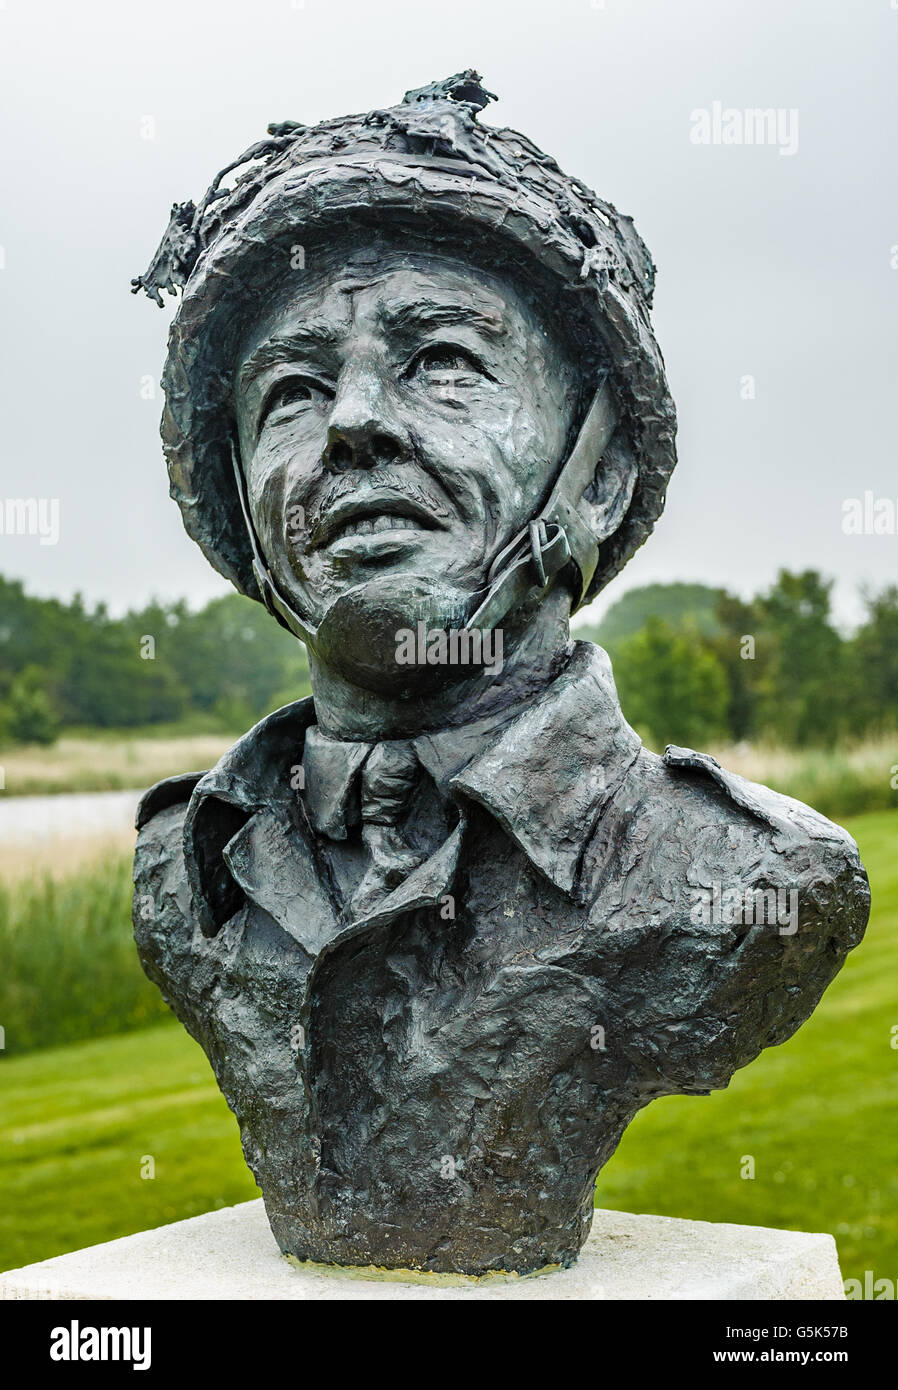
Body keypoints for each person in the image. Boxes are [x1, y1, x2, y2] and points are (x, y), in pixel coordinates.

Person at [132, 72, 869, 1275]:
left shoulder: (746, 876)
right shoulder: (182, 865)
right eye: (293, 390)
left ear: (599, 477)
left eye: (440, 360)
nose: (351, 424)